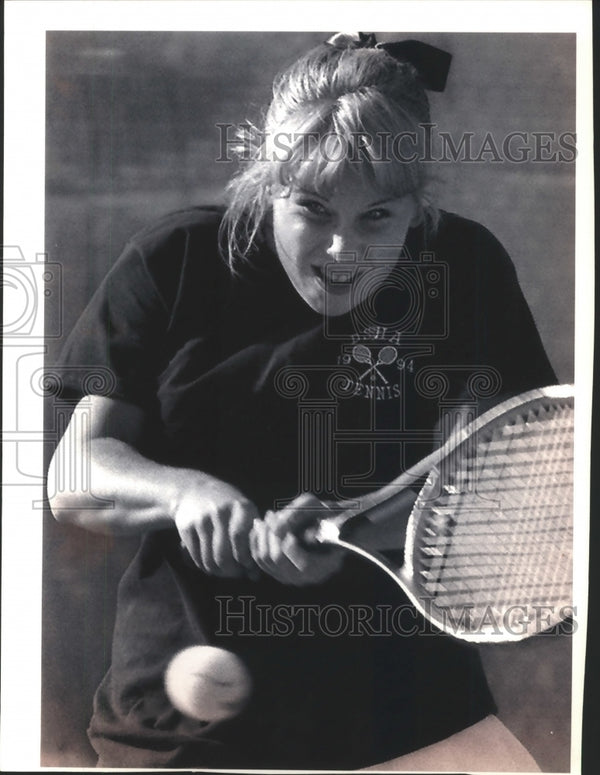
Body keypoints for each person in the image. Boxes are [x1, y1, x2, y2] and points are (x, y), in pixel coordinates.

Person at [48, 32, 556, 770]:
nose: (342, 249)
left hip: (414, 717)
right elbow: (75, 476)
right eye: (313, 209)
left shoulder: (464, 268)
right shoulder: (174, 260)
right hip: (185, 729)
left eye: (377, 217)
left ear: (418, 206)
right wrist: (185, 493)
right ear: (267, 183)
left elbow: (487, 492)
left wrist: (363, 526)